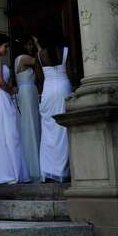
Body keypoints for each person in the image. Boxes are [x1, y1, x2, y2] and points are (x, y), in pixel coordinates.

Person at [0, 34, 30, 185]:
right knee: (7, 133)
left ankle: (6, 171)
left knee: (4, 133)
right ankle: (8, 172)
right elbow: (0, 81)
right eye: (5, 46)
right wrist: (11, 90)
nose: (7, 49)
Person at [39, 36, 74, 182]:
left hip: (48, 90)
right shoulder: (65, 51)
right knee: (63, 129)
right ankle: (64, 170)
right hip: (63, 88)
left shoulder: (40, 55)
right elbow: (70, 73)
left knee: (48, 131)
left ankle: (48, 170)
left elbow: (39, 78)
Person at [13, 36, 43, 183]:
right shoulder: (23, 58)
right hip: (27, 92)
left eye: (32, 44)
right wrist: (38, 45)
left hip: (27, 92)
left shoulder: (19, 59)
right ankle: (34, 166)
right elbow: (42, 58)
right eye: (28, 44)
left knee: (31, 125)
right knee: (31, 125)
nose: (31, 47)